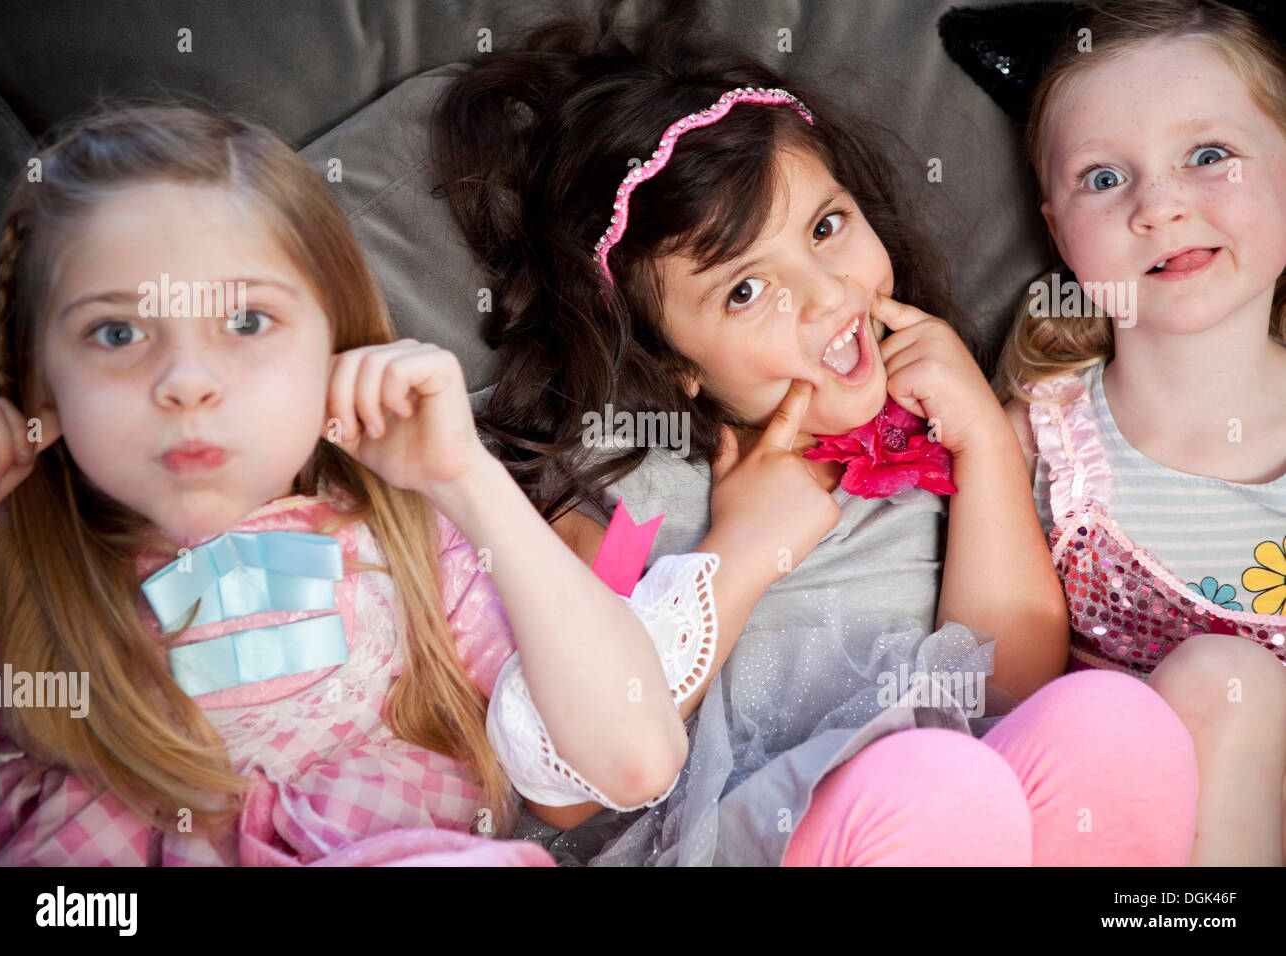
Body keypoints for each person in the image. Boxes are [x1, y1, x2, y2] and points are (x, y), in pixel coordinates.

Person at [429, 1, 1200, 866]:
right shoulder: (627, 486)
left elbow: (1008, 693)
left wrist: (983, 445)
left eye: (827, 228)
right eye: (745, 291)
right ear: (669, 358)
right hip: (749, 839)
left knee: (1117, 720)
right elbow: (558, 786)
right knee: (936, 783)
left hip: (959, 815)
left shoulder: (935, 435)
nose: (829, 293)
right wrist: (743, 548)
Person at [0, 104, 708, 865]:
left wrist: (469, 482)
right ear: (39, 383)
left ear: (334, 339)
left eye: (246, 321)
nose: (187, 383)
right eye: (118, 333)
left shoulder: (411, 535)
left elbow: (634, 759)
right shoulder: (12, 572)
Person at [991, 0, 1286, 864]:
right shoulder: (1039, 440)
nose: (1159, 206)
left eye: (1208, 156)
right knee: (1219, 683)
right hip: (1123, 839)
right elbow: (994, 694)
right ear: (1056, 231)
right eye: (1104, 178)